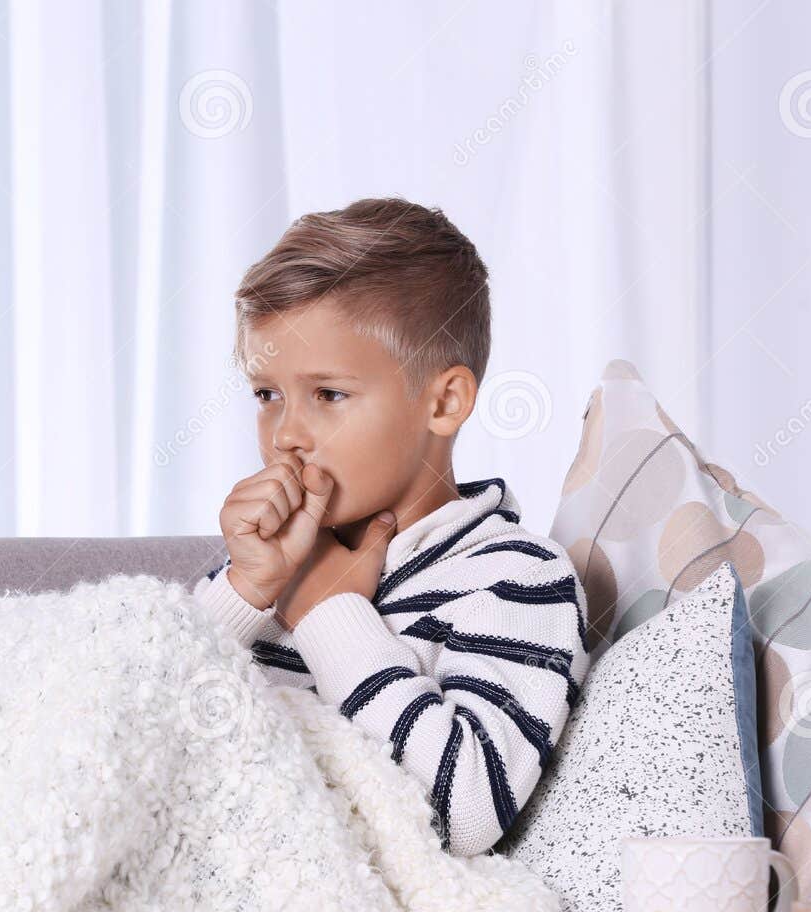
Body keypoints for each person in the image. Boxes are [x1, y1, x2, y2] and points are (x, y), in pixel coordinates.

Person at [194, 196, 588, 857]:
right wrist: (244, 589)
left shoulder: (516, 580)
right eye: (267, 395)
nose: (285, 434)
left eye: (329, 394)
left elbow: (459, 816)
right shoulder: (262, 569)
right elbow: (142, 718)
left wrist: (329, 611)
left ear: (443, 401)